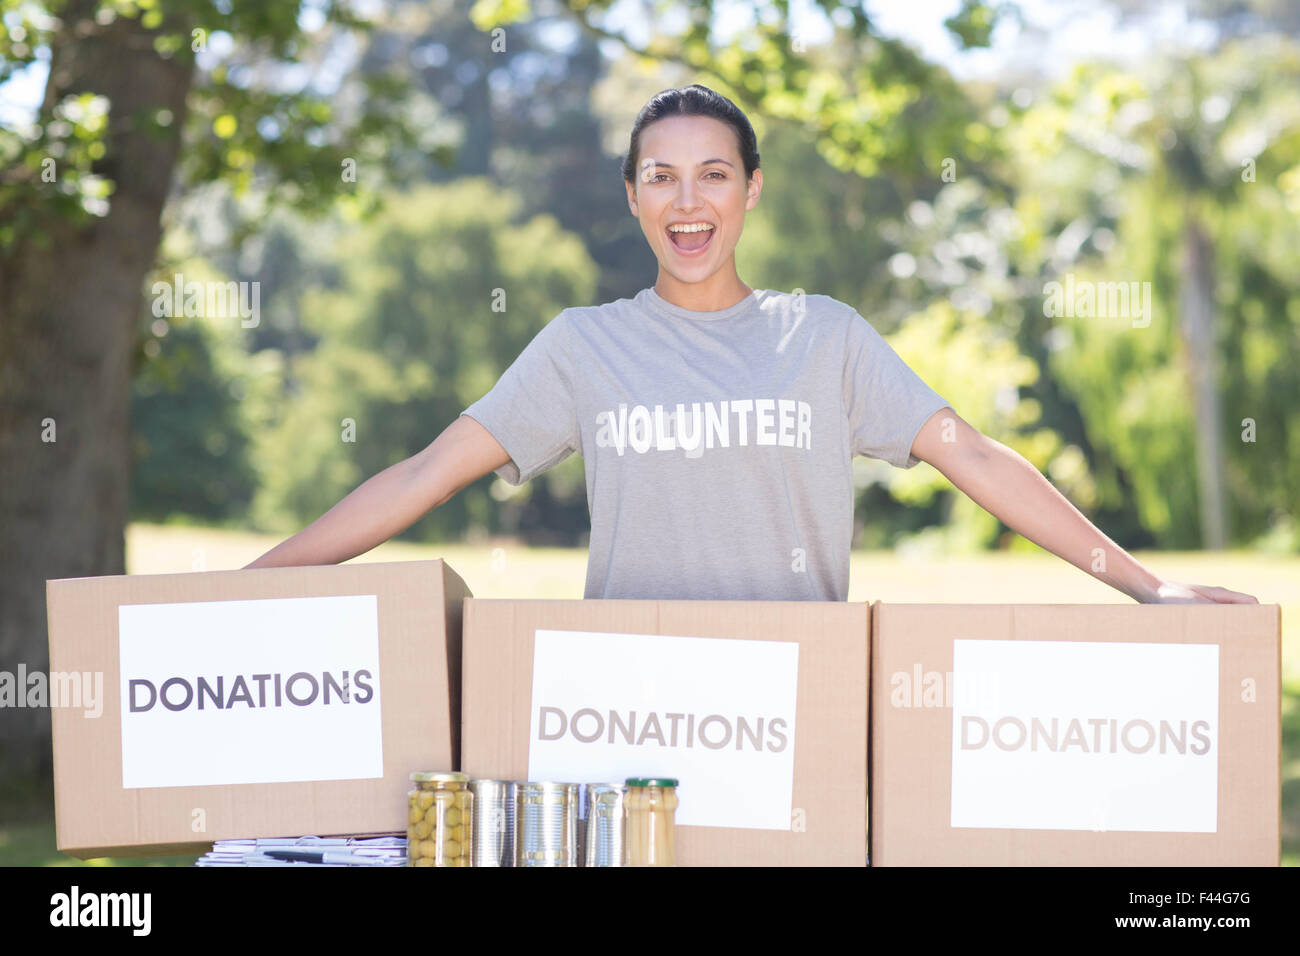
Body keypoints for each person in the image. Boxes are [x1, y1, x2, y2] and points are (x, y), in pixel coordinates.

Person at [246, 84, 1257, 606]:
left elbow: (976, 456)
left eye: (714, 174)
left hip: (790, 702)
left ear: (751, 189)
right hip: (622, 710)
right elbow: (426, 472)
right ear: (633, 195)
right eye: (662, 176)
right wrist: (249, 585)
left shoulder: (825, 336)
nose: (688, 201)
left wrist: (1143, 581)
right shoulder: (580, 347)